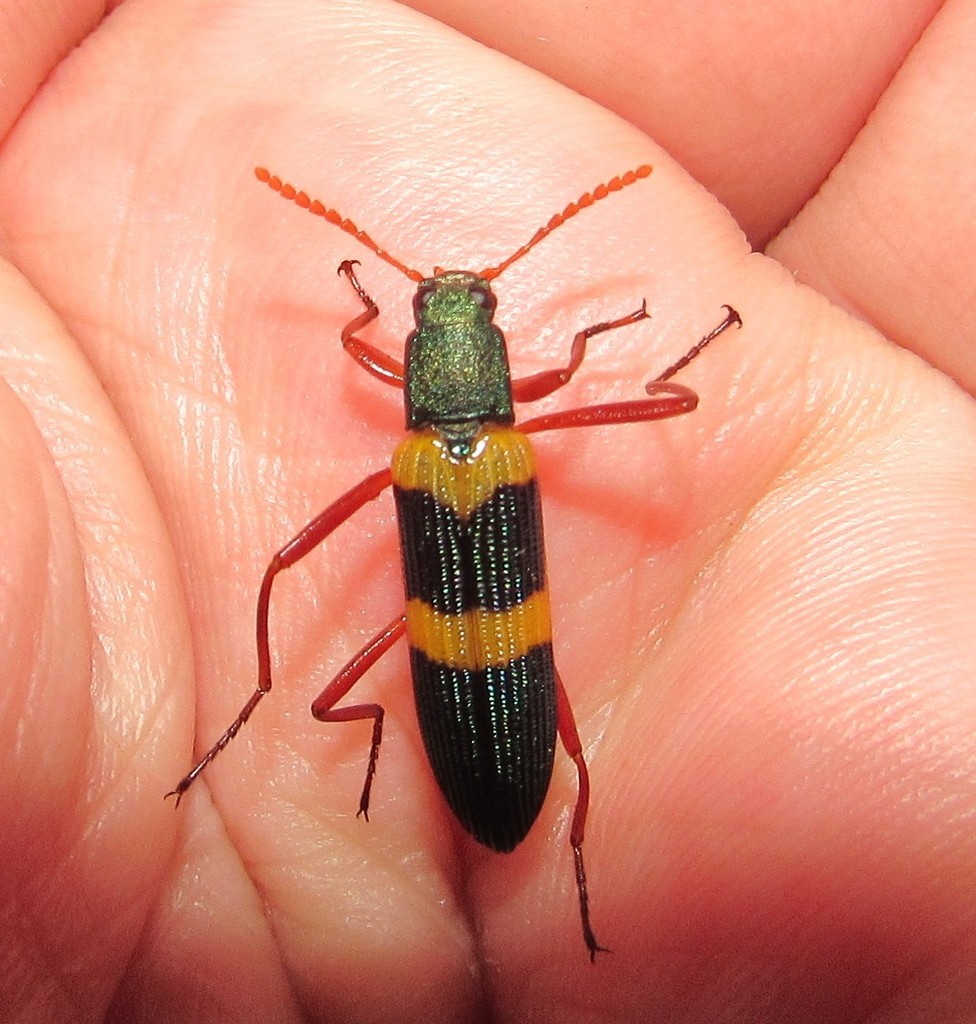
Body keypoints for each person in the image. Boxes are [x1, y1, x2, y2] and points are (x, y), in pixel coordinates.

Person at [0, 2, 972, 1021]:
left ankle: (289, 715)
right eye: (429, 308)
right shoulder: (498, 441)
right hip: (500, 704)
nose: (450, 306)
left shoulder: (414, 456)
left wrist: (388, 310)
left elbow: (333, 423)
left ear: (420, 354)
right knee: (557, 730)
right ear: (477, 352)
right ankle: (571, 857)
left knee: (291, 564)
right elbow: (601, 389)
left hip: (466, 713)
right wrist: (613, 349)